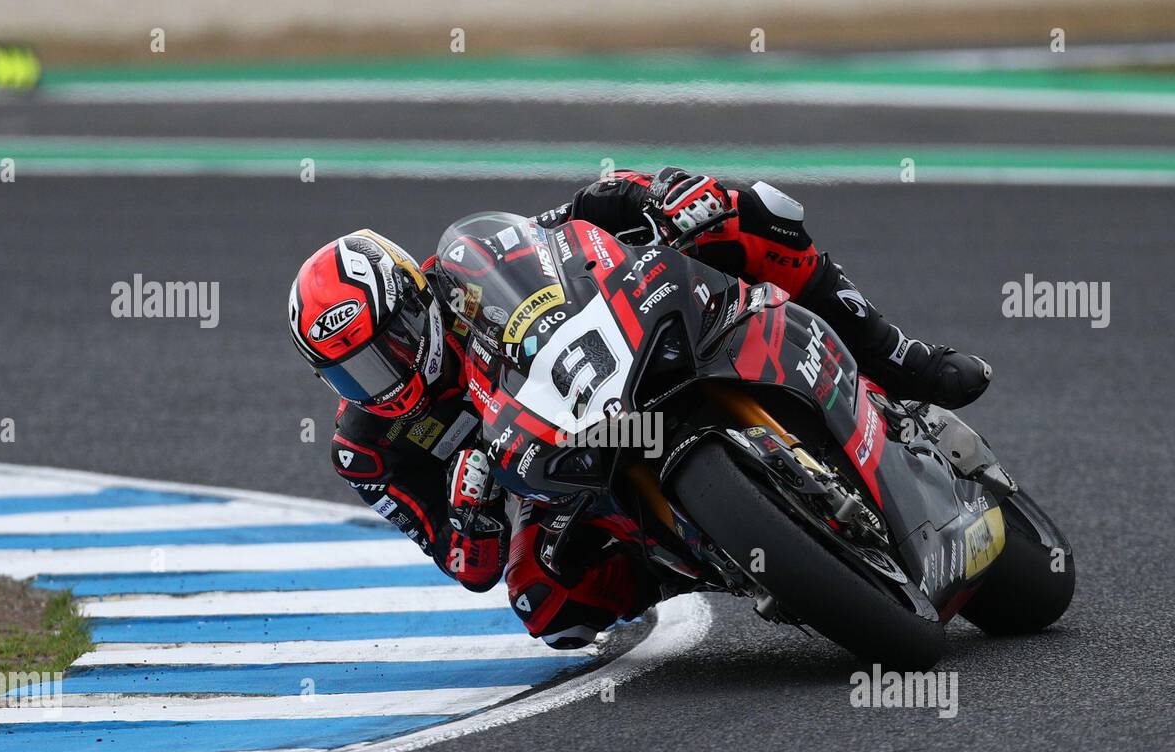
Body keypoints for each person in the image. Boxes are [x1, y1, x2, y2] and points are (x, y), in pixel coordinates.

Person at [287, 167, 992, 647]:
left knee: (747, 212)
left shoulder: (471, 265)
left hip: (616, 352)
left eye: (386, 350)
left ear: (413, 302)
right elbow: (467, 564)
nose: (383, 379)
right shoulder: (367, 450)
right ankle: (696, 558)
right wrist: (472, 512)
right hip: (550, 473)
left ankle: (898, 355)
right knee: (543, 606)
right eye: (352, 374)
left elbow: (576, 217)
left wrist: (660, 195)